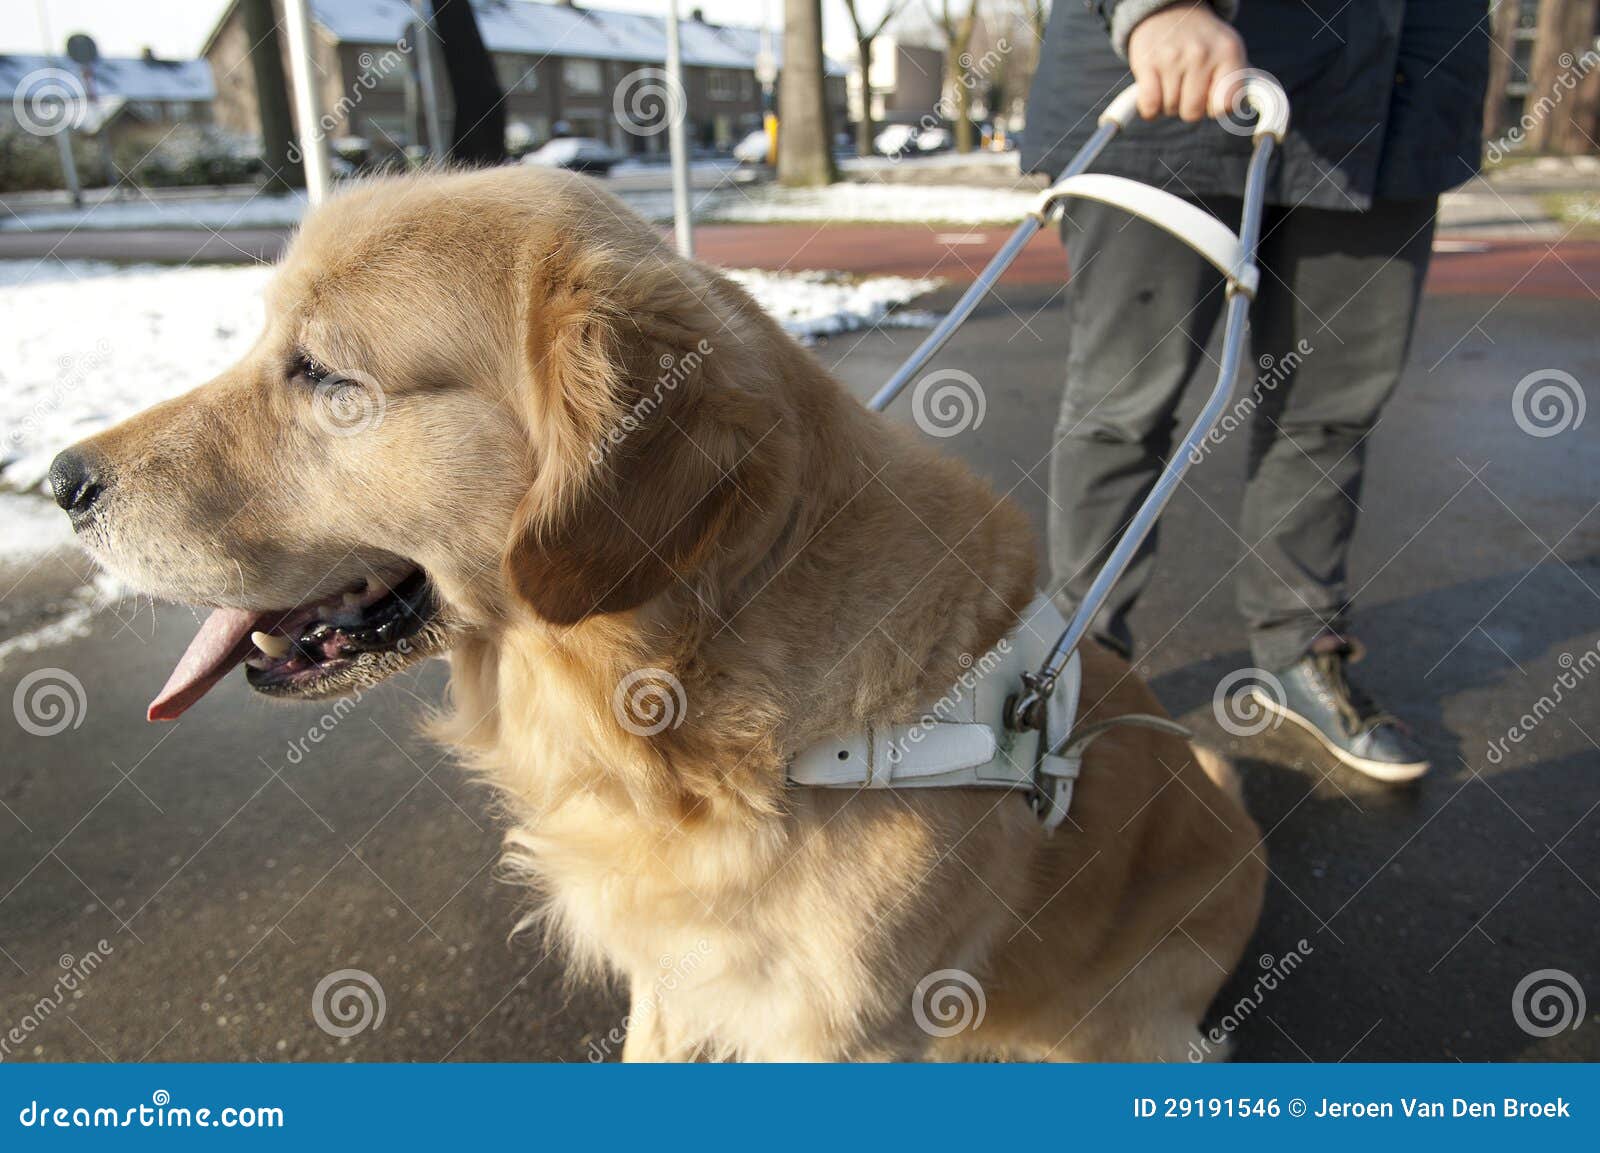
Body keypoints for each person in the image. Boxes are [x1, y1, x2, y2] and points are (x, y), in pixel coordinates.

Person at [1023, 1, 1489, 782]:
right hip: (1166, 89)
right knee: (1123, 403)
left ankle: (1296, 644)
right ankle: (1081, 659)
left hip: (1394, 90)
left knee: (1329, 406)